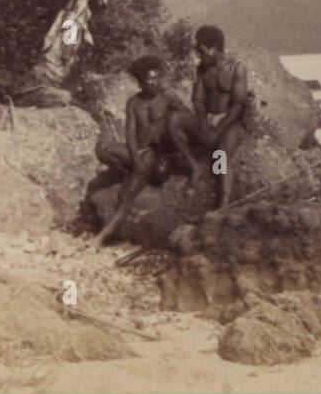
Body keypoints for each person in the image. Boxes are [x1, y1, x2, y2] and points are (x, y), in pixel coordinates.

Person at [90, 55, 185, 247]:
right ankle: (129, 171)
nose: (155, 83)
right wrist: (135, 159)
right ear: (141, 82)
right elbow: (130, 134)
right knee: (103, 149)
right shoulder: (133, 102)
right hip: (138, 151)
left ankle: (99, 239)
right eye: (149, 79)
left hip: (155, 155)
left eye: (158, 78)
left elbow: (185, 120)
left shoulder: (168, 97)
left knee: (125, 196)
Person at [168, 25, 248, 210]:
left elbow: (238, 104)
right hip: (208, 120)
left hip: (231, 122)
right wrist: (204, 125)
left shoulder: (237, 68)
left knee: (220, 154)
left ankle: (223, 202)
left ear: (213, 48)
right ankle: (193, 166)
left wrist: (219, 128)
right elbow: (197, 101)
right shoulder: (203, 69)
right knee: (173, 121)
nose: (198, 53)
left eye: (201, 49)